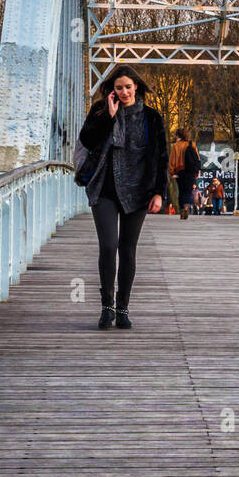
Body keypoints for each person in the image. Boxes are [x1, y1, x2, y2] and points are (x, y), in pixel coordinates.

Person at [79, 65, 169, 330]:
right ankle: (106, 307)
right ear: (112, 90)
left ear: (137, 87)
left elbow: (160, 156)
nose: (124, 92)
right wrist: (109, 116)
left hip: (138, 190)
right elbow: (87, 139)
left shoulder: (151, 118)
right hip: (104, 188)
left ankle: (123, 309)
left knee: (127, 250)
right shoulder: (100, 111)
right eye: (119, 87)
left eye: (129, 87)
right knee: (108, 246)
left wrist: (158, 192)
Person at [168, 129, 200, 219]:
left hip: (180, 171)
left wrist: (172, 172)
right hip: (191, 172)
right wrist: (197, 171)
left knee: (181, 191)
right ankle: (186, 206)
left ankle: (182, 208)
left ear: (178, 135)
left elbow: (172, 160)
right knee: (188, 191)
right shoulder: (192, 144)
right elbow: (197, 159)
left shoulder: (175, 146)